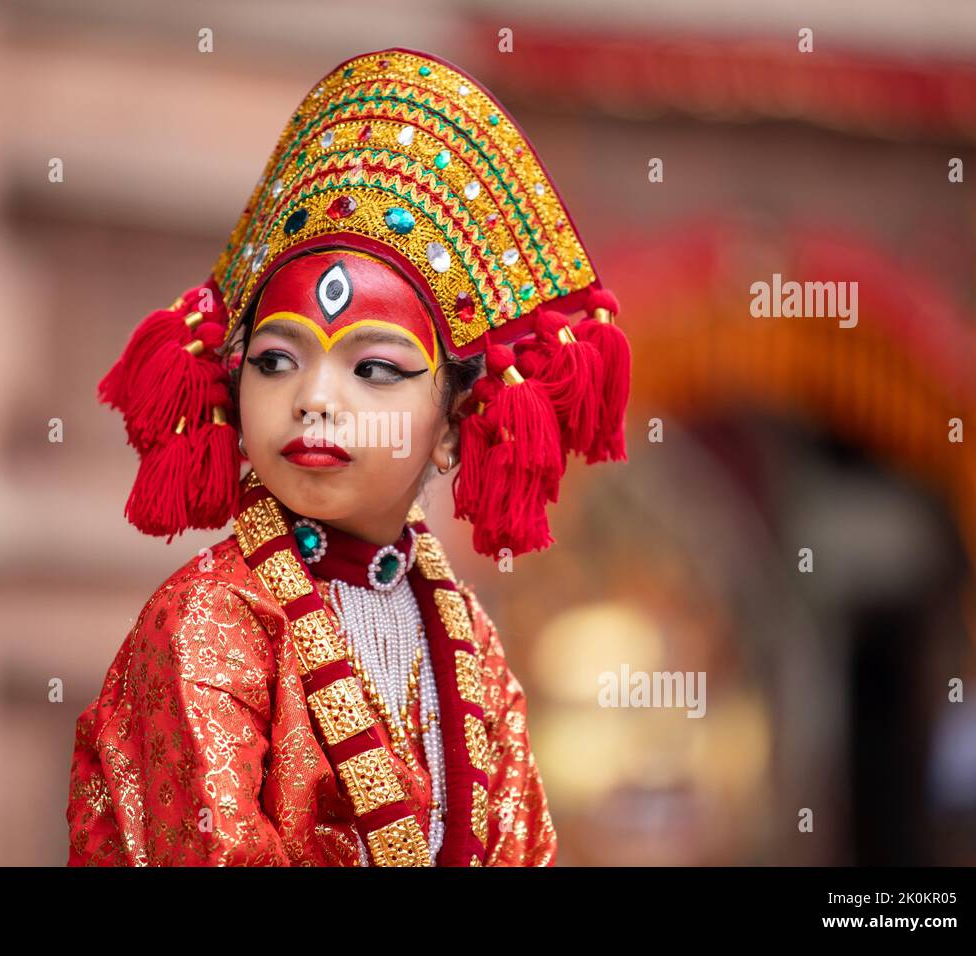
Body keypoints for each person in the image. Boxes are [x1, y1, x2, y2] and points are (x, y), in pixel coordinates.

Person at [66, 47, 630, 866]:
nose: (313, 400)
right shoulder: (211, 621)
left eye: (374, 369)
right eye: (275, 360)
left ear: (450, 425)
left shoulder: (468, 634)